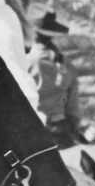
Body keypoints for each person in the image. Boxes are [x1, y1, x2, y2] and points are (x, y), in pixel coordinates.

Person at [27, 10, 81, 146]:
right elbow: (73, 104)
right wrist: (73, 126)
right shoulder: (66, 64)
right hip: (60, 128)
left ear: (34, 36)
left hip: (33, 129)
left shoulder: (25, 62)